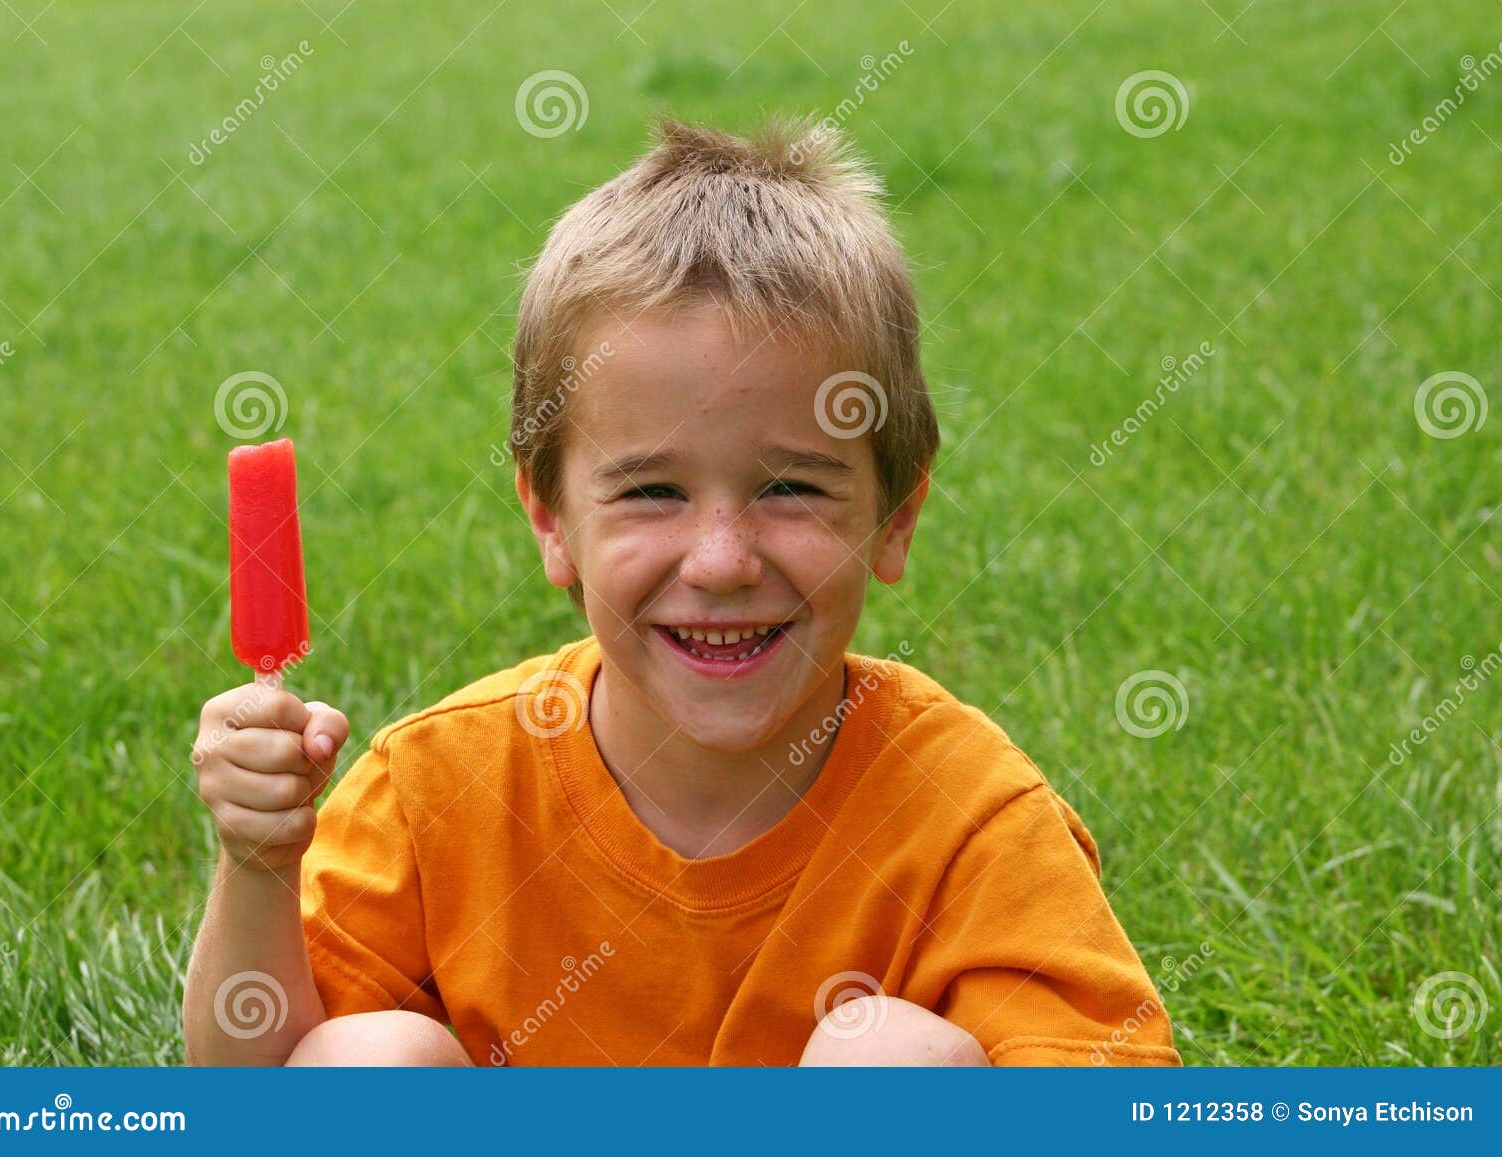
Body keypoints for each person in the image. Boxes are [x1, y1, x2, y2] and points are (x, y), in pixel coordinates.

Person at [182, 116, 1181, 1068]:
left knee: (892, 1054)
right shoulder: (438, 789)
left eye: (788, 487)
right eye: (653, 490)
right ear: (549, 518)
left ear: (895, 517)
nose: (719, 558)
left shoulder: (966, 813)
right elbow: (254, 1090)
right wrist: (259, 867)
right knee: (366, 1055)